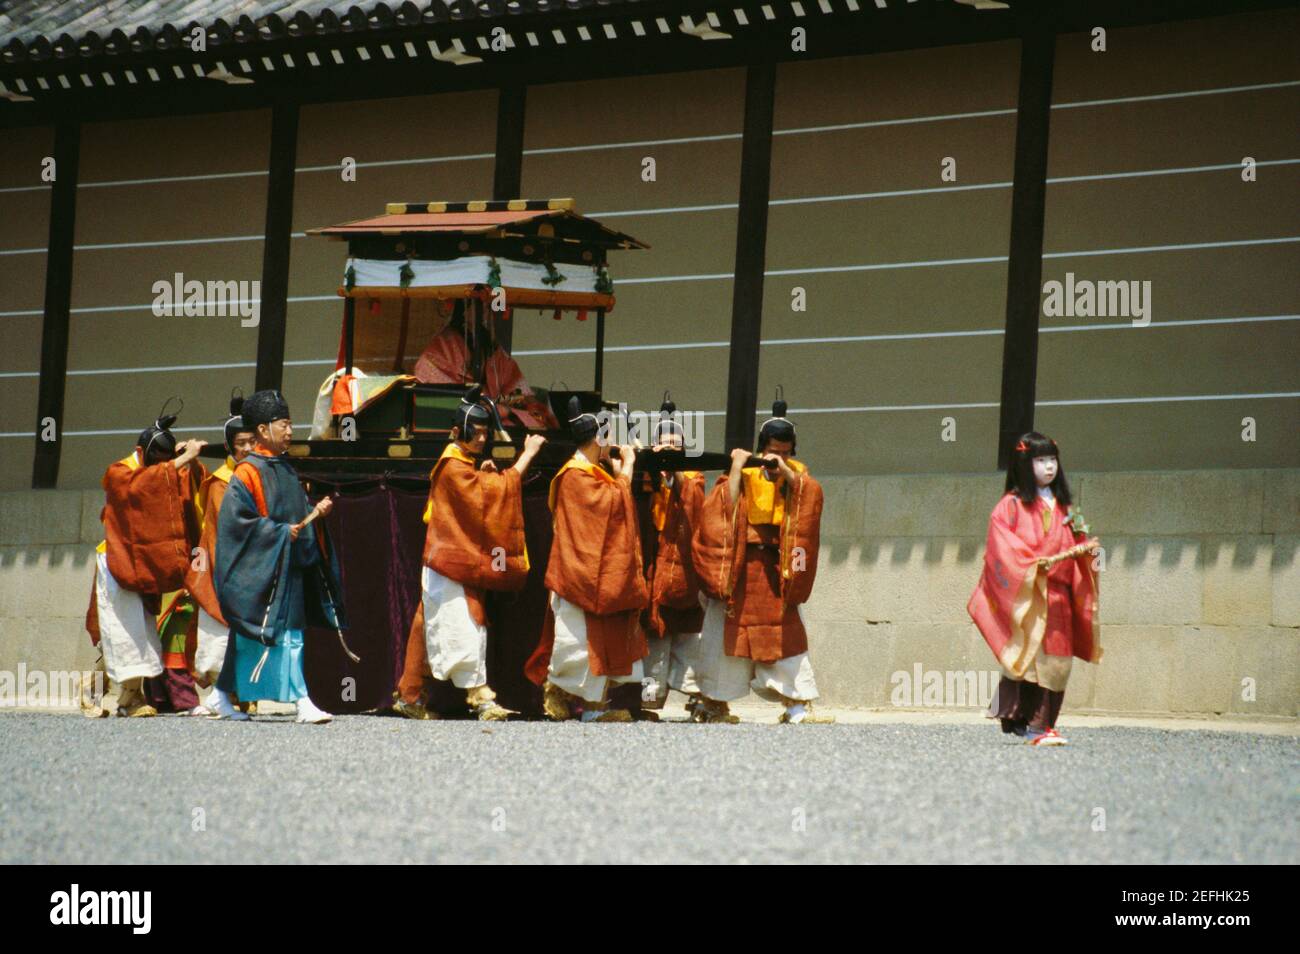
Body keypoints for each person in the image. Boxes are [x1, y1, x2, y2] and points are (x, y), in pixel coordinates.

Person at [690, 392, 830, 724]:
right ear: (761, 447)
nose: (777, 457)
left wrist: (787, 474)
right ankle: (713, 703)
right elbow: (722, 506)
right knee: (722, 634)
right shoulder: (746, 470)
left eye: (784, 452)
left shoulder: (797, 476)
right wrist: (738, 467)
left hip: (775, 570)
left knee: (785, 635)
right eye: (771, 451)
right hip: (740, 567)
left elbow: (809, 500)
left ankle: (796, 704)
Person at [214, 390, 345, 725]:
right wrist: (278, 533)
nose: (290, 432)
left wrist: (315, 514)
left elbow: (297, 516)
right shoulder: (246, 473)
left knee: (278, 635)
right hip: (264, 565)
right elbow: (237, 524)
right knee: (270, 636)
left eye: (290, 425)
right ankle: (301, 701)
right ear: (263, 430)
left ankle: (220, 695)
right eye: (283, 425)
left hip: (288, 565)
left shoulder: (284, 468)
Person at [419, 388, 546, 720]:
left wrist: (484, 474)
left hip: (451, 562)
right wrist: (526, 455)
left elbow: (479, 494)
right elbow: (492, 495)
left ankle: (410, 695)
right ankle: (482, 699)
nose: (480, 439)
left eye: (485, 432)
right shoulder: (452, 465)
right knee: (465, 627)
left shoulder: (461, 463)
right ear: (458, 431)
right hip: (449, 563)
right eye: (474, 432)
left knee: (438, 626)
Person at [967, 432, 1101, 746]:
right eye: (1040, 461)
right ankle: (1017, 717)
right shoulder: (1010, 507)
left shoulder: (1066, 508)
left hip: (1058, 595)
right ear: (1025, 465)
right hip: (1028, 591)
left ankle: (1042, 722)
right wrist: (1030, 564)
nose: (1049, 467)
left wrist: (1086, 551)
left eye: (1052, 460)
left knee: (1056, 660)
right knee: (1025, 656)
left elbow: (1079, 543)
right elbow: (1001, 547)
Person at [526, 398, 648, 722]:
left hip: (589, 573)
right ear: (598, 439)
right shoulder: (575, 476)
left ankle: (593, 707)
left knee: (595, 640)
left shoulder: (592, 472)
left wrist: (619, 475)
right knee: (577, 645)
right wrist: (628, 471)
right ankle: (573, 700)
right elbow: (607, 508)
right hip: (577, 574)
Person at [84, 400, 207, 717]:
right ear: (140, 451)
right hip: (118, 562)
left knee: (139, 632)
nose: (159, 468)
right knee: (124, 631)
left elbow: (177, 488)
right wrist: (176, 464)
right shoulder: (120, 472)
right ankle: (117, 697)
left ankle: (115, 696)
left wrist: (187, 463)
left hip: (146, 564)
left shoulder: (161, 470)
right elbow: (140, 487)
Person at [184, 392, 257, 720]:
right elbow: (218, 533)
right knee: (218, 634)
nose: (247, 448)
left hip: (249, 567)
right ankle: (221, 693)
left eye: (252, 442)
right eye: (241, 443)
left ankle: (244, 693)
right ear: (229, 447)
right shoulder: (219, 483)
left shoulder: (256, 474)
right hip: (219, 566)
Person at [638, 397, 706, 718]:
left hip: (683, 571)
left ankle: (698, 699)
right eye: (664, 443)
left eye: (675, 444)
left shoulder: (693, 476)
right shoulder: (646, 474)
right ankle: (649, 703)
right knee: (654, 642)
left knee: (690, 640)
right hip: (653, 571)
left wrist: (676, 474)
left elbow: (694, 504)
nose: (669, 448)